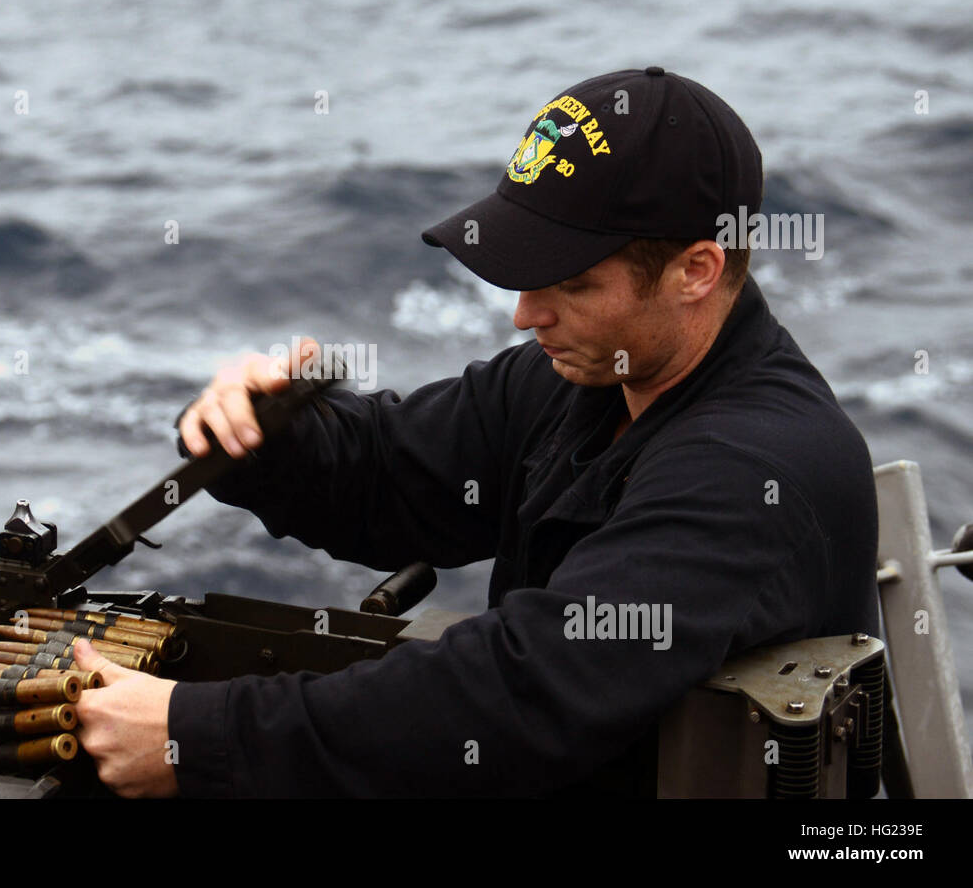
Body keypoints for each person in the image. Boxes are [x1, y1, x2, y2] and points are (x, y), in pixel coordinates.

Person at [71, 67, 880, 797]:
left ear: (696, 272)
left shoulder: (748, 470)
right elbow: (386, 474)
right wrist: (260, 433)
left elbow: (520, 694)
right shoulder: (587, 377)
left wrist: (199, 739)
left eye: (570, 283)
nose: (526, 316)